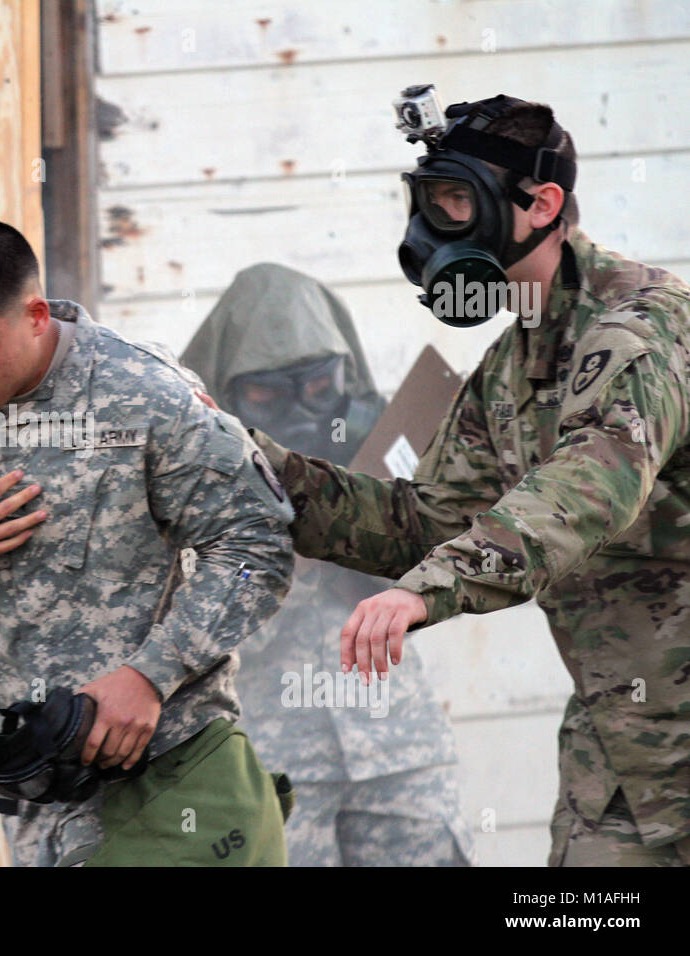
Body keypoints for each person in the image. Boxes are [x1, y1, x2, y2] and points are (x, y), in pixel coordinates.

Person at [251, 93, 690, 866]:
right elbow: (426, 524)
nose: (432, 230)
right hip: (621, 749)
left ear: (540, 204)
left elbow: (588, 489)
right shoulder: (513, 362)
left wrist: (430, 588)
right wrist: (255, 465)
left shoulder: (637, 330)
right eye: (428, 204)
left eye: (457, 201)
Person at [0, 216, 295, 866]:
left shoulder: (142, 394)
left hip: (163, 759)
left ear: (35, 315)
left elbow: (256, 546)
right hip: (31, 770)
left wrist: (150, 677)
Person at [180, 262, 475, 866]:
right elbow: (195, 617)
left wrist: (367, 508)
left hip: (399, 742)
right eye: (269, 394)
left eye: (319, 387)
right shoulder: (189, 476)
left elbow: (455, 571)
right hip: (269, 757)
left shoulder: (381, 453)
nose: (303, 409)